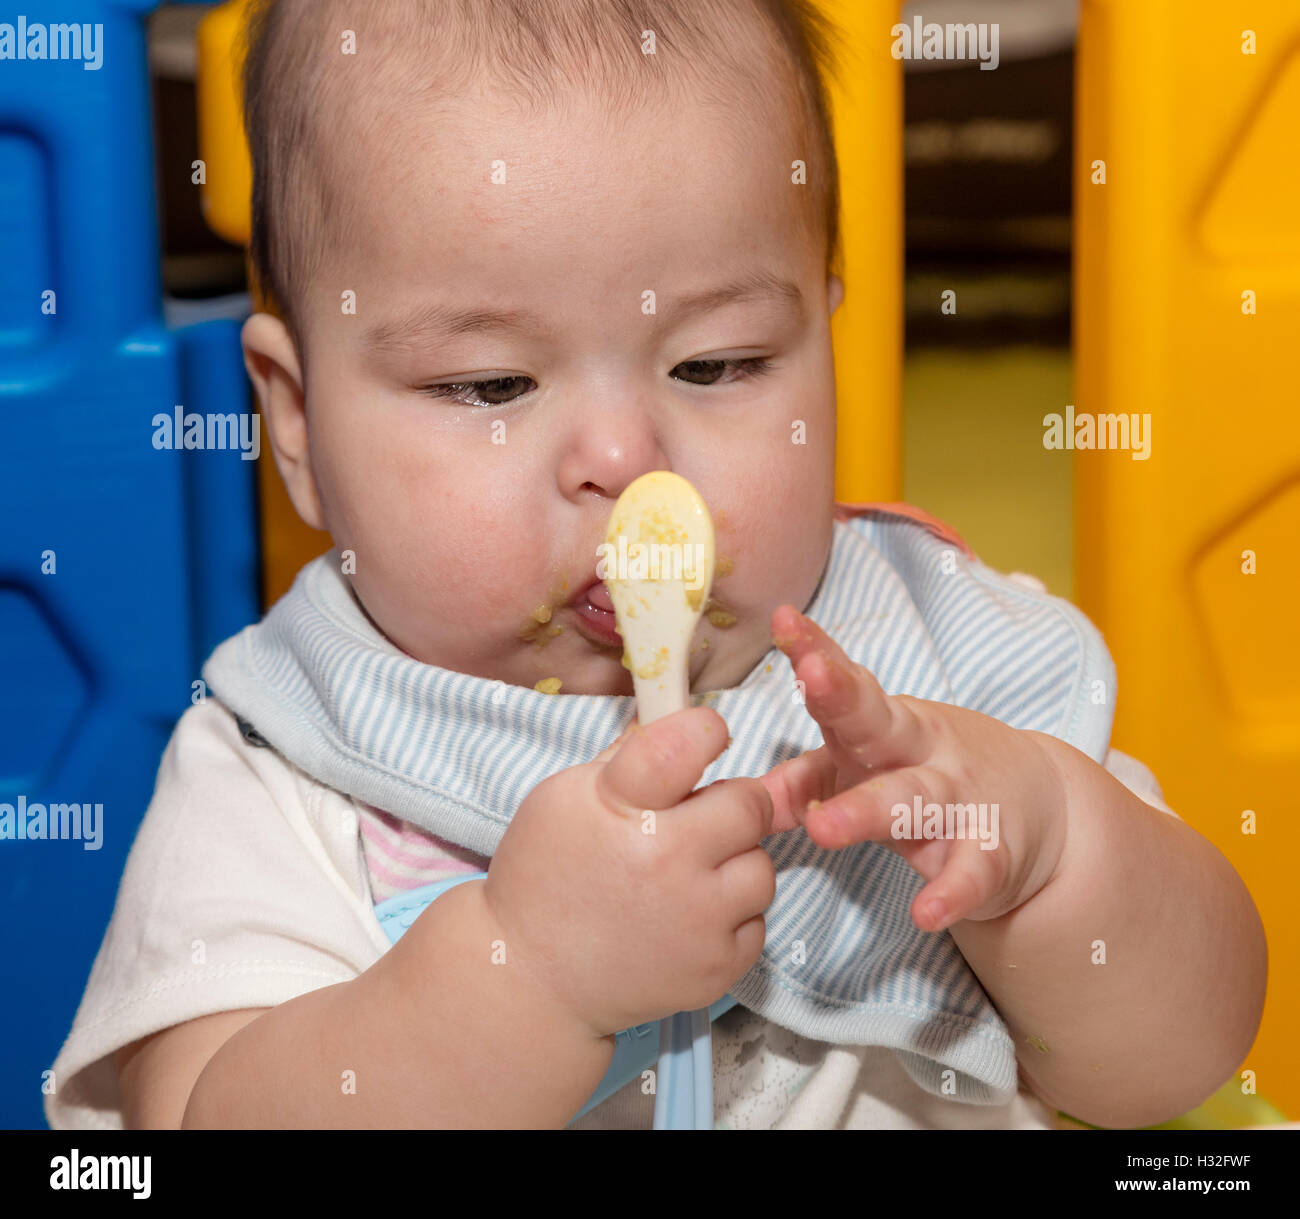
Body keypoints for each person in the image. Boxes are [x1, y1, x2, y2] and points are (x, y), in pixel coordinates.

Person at [45, 0, 1264, 1130]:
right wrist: (527, 978)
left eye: (718, 363)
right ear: (300, 425)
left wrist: (1049, 858)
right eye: (491, 384)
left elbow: (1177, 1065)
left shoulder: (934, 670)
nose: (628, 459)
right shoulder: (289, 761)